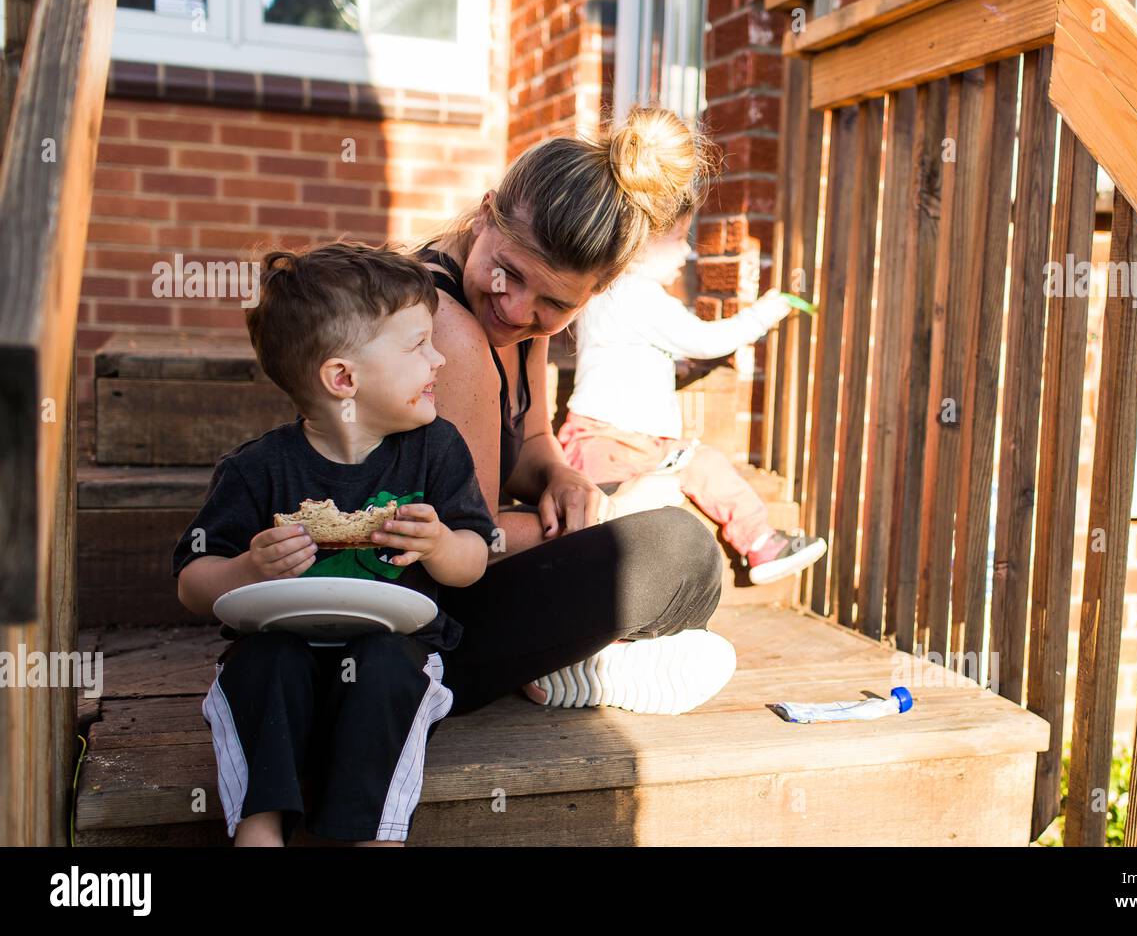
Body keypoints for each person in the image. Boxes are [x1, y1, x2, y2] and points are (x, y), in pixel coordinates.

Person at [412, 105, 735, 716]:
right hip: (419, 617)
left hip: (462, 581)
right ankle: (590, 661)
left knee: (681, 554)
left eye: (554, 301)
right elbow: (466, 545)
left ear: (598, 292)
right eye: (507, 273)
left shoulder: (514, 315)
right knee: (680, 551)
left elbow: (530, 443)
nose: (515, 309)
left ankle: (573, 658)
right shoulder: (450, 328)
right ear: (486, 213)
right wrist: (612, 516)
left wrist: (565, 479)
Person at [173, 243, 496, 846]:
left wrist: (439, 544)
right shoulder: (258, 470)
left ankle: (370, 835)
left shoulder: (436, 450)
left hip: (390, 655)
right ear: (343, 378)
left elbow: (474, 559)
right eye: (418, 345)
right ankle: (260, 830)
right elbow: (194, 580)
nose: (441, 358)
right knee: (263, 663)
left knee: (386, 666)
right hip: (282, 655)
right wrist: (246, 568)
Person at [557, 207, 828, 586]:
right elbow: (705, 340)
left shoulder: (607, 291)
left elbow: (625, 347)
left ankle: (763, 544)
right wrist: (763, 315)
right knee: (603, 512)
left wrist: (667, 362)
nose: (688, 252)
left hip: (642, 441)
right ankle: (758, 541)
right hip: (605, 438)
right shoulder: (639, 294)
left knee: (704, 464)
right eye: (679, 239)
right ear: (639, 247)